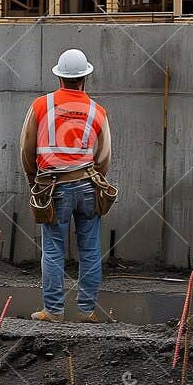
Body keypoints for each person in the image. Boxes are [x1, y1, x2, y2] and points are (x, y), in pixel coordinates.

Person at [20, 48, 115, 322]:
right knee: (90, 248)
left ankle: (53, 311)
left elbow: (27, 148)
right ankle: (86, 311)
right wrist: (95, 177)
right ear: (85, 78)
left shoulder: (41, 105)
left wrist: (32, 180)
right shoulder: (98, 111)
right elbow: (104, 156)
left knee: (52, 249)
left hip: (52, 187)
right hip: (87, 185)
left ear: (59, 78)